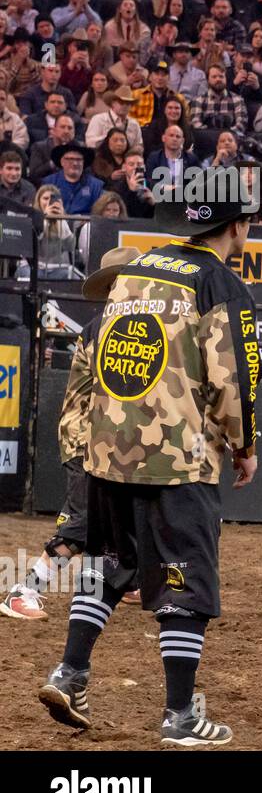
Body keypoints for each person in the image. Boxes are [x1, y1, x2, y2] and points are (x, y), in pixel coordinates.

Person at [37, 175, 260, 746]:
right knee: (185, 580)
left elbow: (100, 354)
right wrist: (245, 447)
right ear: (236, 225)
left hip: (108, 453)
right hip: (178, 460)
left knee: (111, 563)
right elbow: (232, 377)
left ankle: (70, 671)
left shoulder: (131, 274)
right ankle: (180, 717)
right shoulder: (220, 284)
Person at [2, 247, 142, 620]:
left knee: (123, 510)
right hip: (87, 437)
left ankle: (125, 580)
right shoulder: (109, 326)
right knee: (81, 522)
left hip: (106, 436)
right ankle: (22, 591)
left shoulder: (117, 323)